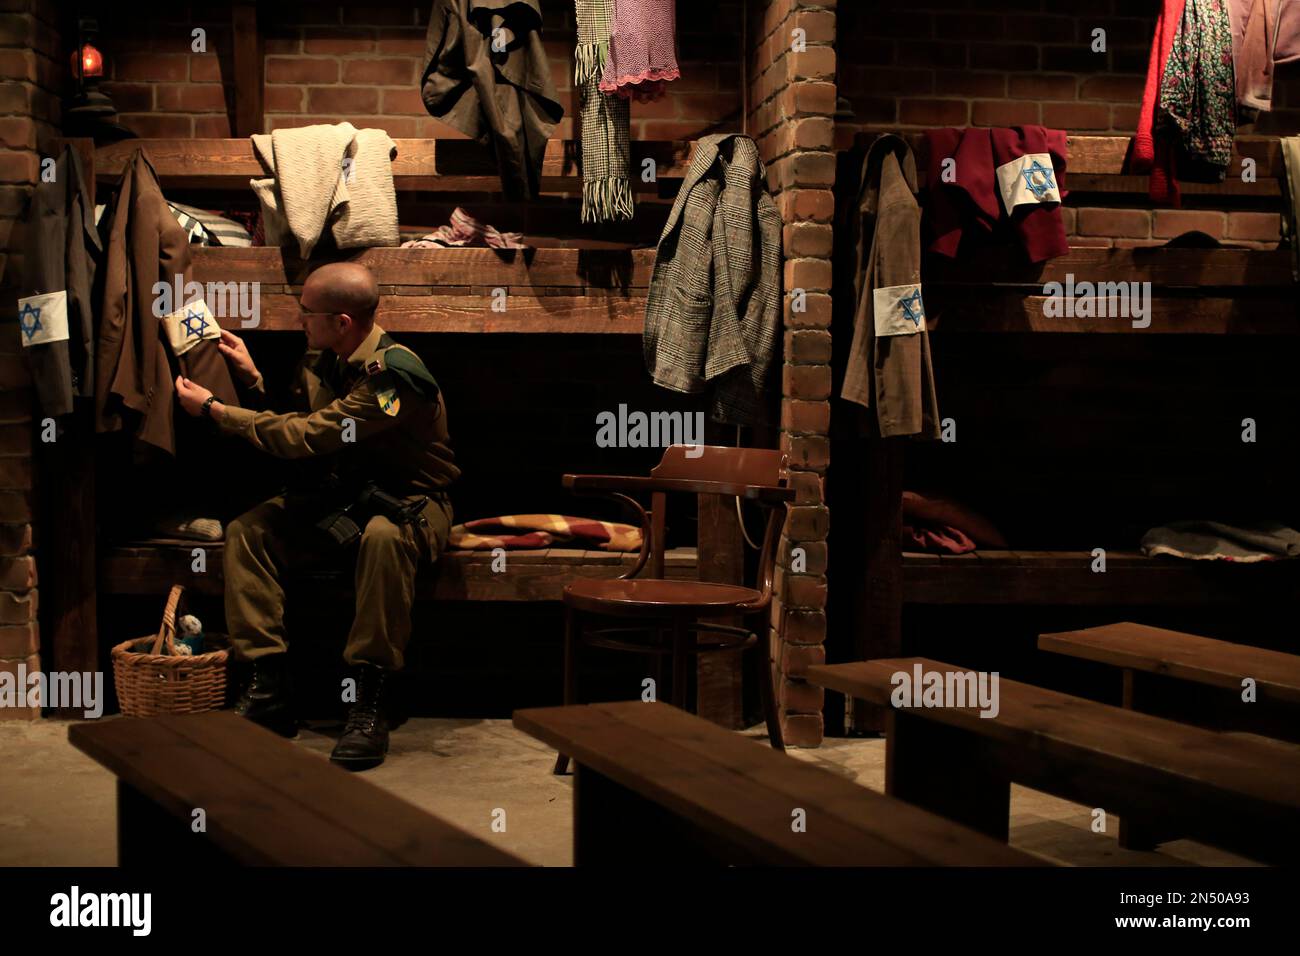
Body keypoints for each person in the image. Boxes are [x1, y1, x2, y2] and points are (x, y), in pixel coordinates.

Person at [175, 262, 459, 770]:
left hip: (410, 503)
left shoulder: (393, 379)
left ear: (342, 321)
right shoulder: (326, 358)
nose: (299, 318)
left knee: (383, 539)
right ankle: (268, 687)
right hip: (343, 494)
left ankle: (370, 698)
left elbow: (310, 437)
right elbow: (303, 418)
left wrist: (217, 411)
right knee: (249, 531)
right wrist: (254, 379)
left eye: (307, 311)